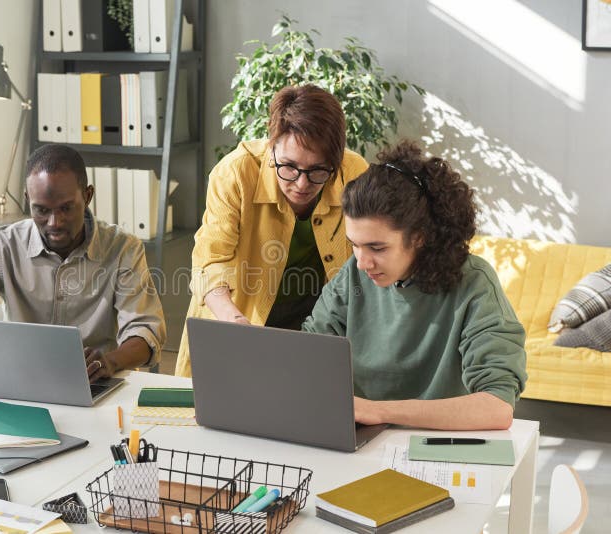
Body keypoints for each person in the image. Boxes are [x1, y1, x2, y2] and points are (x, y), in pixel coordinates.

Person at [301, 140, 527, 430]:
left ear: (419, 237)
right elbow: (307, 356)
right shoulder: (354, 275)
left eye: (377, 248)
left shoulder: (474, 283)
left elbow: (497, 407)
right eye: (354, 245)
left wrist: (379, 412)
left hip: (435, 443)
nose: (362, 263)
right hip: (358, 437)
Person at [175, 84, 368, 377]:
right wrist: (234, 321)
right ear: (272, 146)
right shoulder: (235, 173)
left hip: (317, 330)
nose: (301, 184)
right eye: (288, 167)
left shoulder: (353, 173)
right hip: (237, 319)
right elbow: (210, 262)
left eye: (318, 170)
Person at [0, 144, 166, 382]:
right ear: (27, 200)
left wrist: (110, 362)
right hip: (21, 380)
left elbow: (146, 332)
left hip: (97, 381)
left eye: (66, 208)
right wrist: (0, 355)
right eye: (41, 210)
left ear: (87, 196)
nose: (54, 223)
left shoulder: (123, 249)